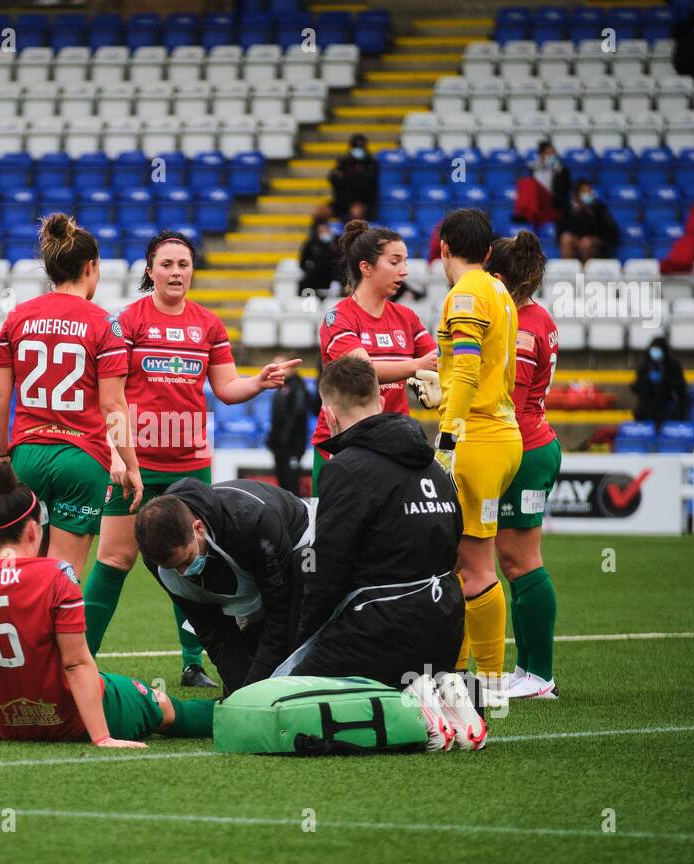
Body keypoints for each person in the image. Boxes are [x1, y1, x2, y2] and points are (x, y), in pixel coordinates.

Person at [81, 231, 299, 687]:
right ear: (149, 269)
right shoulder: (126, 323)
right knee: (115, 558)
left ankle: (192, 663)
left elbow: (225, 388)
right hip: (136, 460)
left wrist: (258, 381)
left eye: (183, 264)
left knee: (192, 559)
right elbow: (112, 397)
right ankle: (78, 660)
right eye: (166, 264)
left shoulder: (209, 324)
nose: (176, 272)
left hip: (190, 465)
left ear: (192, 270)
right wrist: (120, 457)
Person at [0, 462, 215, 746]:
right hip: (71, 719)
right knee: (164, 705)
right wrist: (101, 737)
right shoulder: (54, 574)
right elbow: (75, 664)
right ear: (33, 530)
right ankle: (243, 710)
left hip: (9, 724)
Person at [280, 360, 471, 717]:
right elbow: (456, 554)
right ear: (381, 402)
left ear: (329, 414)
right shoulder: (435, 466)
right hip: (444, 629)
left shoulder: (345, 468)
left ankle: (413, 711)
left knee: (283, 698)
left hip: (383, 630)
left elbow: (327, 568)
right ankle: (437, 691)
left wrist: (303, 640)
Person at [0, 213, 143, 580]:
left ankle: (8, 636)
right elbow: (112, 405)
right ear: (90, 267)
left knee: (17, 571)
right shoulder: (105, 323)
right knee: (62, 576)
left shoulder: (17, 319)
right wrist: (131, 464)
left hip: (26, 454)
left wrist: (0, 455)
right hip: (82, 457)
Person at [433, 208, 523, 685]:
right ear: (488, 251)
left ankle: (488, 683)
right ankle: (460, 675)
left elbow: (468, 369)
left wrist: (447, 435)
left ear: (443, 247)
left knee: (474, 564)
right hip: (501, 433)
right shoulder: (499, 291)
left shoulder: (464, 292)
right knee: (458, 563)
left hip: (476, 437)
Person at [135, 477, 312, 693]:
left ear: (198, 528)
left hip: (301, 549)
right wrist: (241, 691)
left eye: (186, 560)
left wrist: (253, 690)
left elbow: (279, 616)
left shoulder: (254, 522)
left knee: (293, 644)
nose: (182, 573)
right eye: (174, 568)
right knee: (242, 679)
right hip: (245, 566)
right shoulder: (156, 559)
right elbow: (211, 629)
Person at [311, 221, 438, 490]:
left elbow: (437, 361)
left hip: (394, 443)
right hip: (343, 444)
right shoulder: (339, 317)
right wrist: (417, 366)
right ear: (365, 267)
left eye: (405, 261)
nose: (404, 270)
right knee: (336, 530)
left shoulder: (407, 317)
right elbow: (361, 370)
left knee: (392, 531)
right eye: (394, 261)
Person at [489, 231, 561, 700]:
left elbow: (506, 405)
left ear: (499, 275)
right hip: (534, 443)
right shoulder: (534, 316)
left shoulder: (521, 326)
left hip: (522, 447)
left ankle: (540, 676)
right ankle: (529, 669)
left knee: (519, 561)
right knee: (513, 561)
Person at [266, 354, 318, 497]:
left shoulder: (298, 386)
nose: (277, 369)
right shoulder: (280, 386)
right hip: (280, 446)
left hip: (292, 446)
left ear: (292, 368)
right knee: (282, 483)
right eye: (275, 366)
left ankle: (296, 515)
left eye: (281, 366)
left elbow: (298, 414)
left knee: (291, 483)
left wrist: (284, 437)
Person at [631, 336, 690, 426]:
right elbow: (637, 386)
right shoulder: (646, 365)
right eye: (654, 349)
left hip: (667, 406)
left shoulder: (672, 365)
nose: (655, 352)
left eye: (659, 349)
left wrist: (665, 380)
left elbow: (681, 388)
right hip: (646, 407)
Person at [511, 141, 570, 229]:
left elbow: (565, 189)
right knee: (524, 181)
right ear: (542, 155)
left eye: (553, 154)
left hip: (550, 199)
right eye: (548, 153)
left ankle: (527, 212)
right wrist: (540, 165)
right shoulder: (534, 168)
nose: (551, 156)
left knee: (530, 183)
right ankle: (525, 212)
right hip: (536, 198)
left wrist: (557, 170)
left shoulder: (562, 171)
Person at [558, 180, 618, 263]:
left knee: (586, 243)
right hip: (575, 242)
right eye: (584, 191)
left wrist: (595, 240)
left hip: (595, 244)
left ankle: (584, 273)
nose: (588, 194)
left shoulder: (599, 208)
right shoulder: (569, 209)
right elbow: (561, 230)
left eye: (590, 191)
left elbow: (611, 232)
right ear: (576, 194)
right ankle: (568, 270)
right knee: (566, 239)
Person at [327, 133, 378, 220]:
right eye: (355, 146)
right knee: (319, 211)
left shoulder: (371, 162)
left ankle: (355, 233)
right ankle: (321, 232)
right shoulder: (344, 160)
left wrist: (345, 178)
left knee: (356, 213)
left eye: (360, 146)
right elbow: (332, 177)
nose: (358, 149)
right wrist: (353, 178)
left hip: (361, 201)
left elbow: (366, 183)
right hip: (341, 202)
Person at [298, 217, 339, 296]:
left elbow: (339, 264)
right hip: (313, 279)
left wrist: (336, 280)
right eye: (321, 231)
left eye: (326, 230)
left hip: (331, 278)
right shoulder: (311, 244)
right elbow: (303, 262)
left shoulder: (336, 244)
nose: (324, 233)